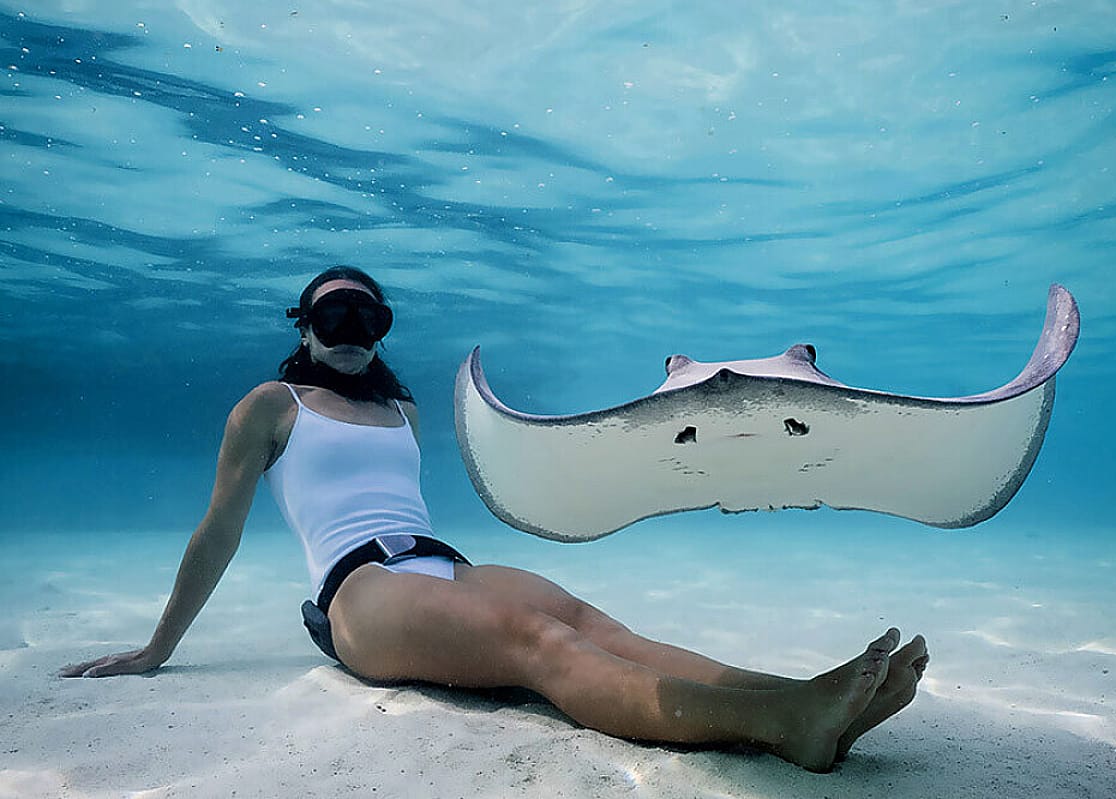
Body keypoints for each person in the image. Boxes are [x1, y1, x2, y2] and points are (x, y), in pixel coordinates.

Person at [61, 266, 929, 773]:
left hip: (445, 563)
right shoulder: (269, 404)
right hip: (360, 591)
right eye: (336, 313)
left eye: (370, 314)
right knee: (536, 644)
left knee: (596, 624)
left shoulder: (400, 410)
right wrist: (156, 648)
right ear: (308, 327)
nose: (354, 327)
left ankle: (810, 700)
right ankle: (781, 728)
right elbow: (219, 530)